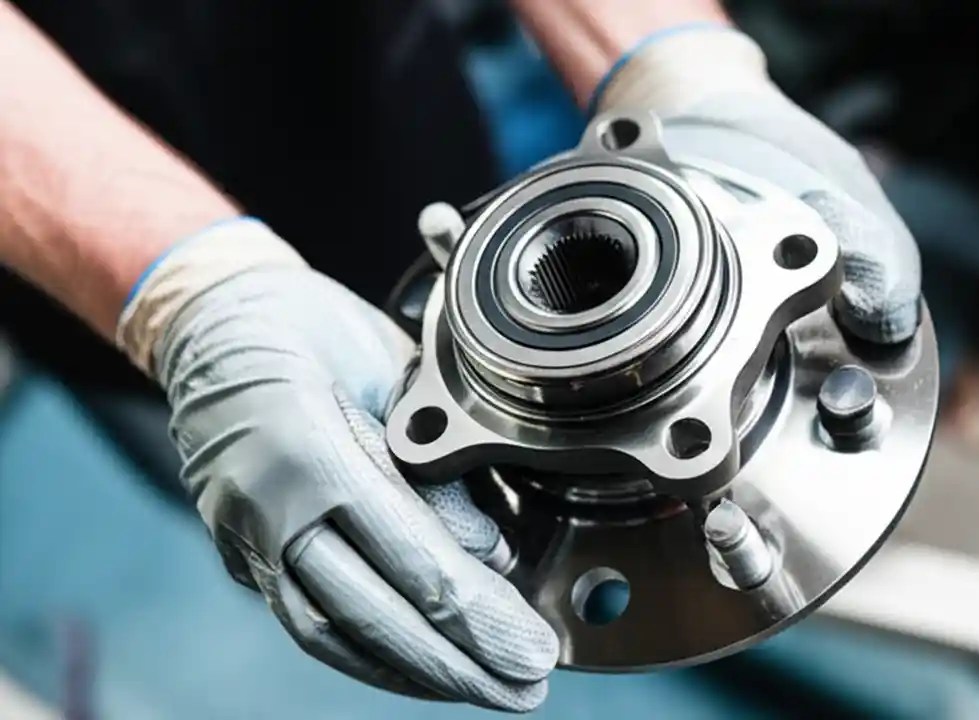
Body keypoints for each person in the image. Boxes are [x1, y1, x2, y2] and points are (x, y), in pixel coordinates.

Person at [0, 0, 920, 713]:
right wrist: (182, 291)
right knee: (301, 494)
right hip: (84, 253)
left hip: (367, 87)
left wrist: (671, 56)